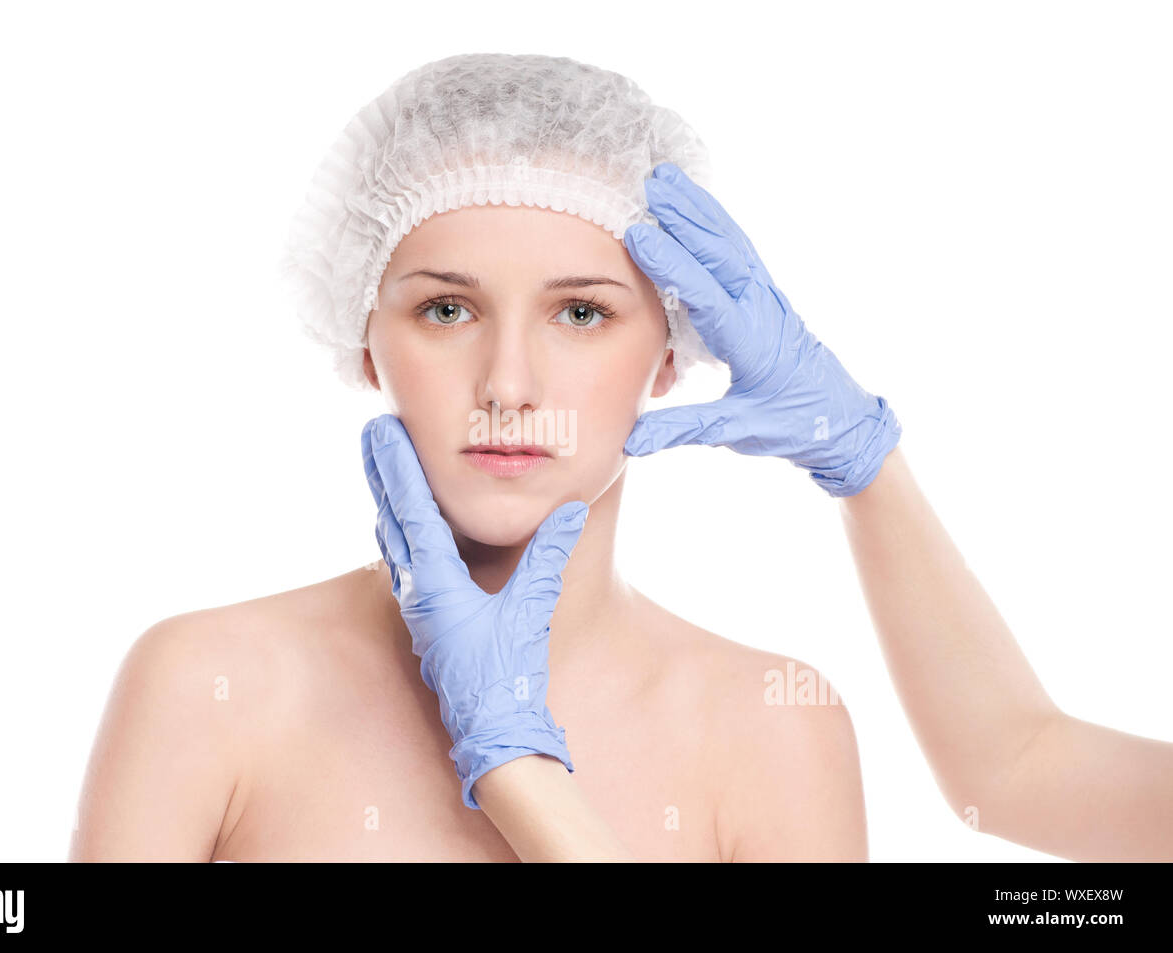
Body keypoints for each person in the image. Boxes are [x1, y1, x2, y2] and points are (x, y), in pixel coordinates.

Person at [69, 53, 870, 862]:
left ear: (672, 346)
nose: (509, 385)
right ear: (367, 341)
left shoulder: (775, 732)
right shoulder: (206, 688)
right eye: (446, 309)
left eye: (583, 312)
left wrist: (516, 766)